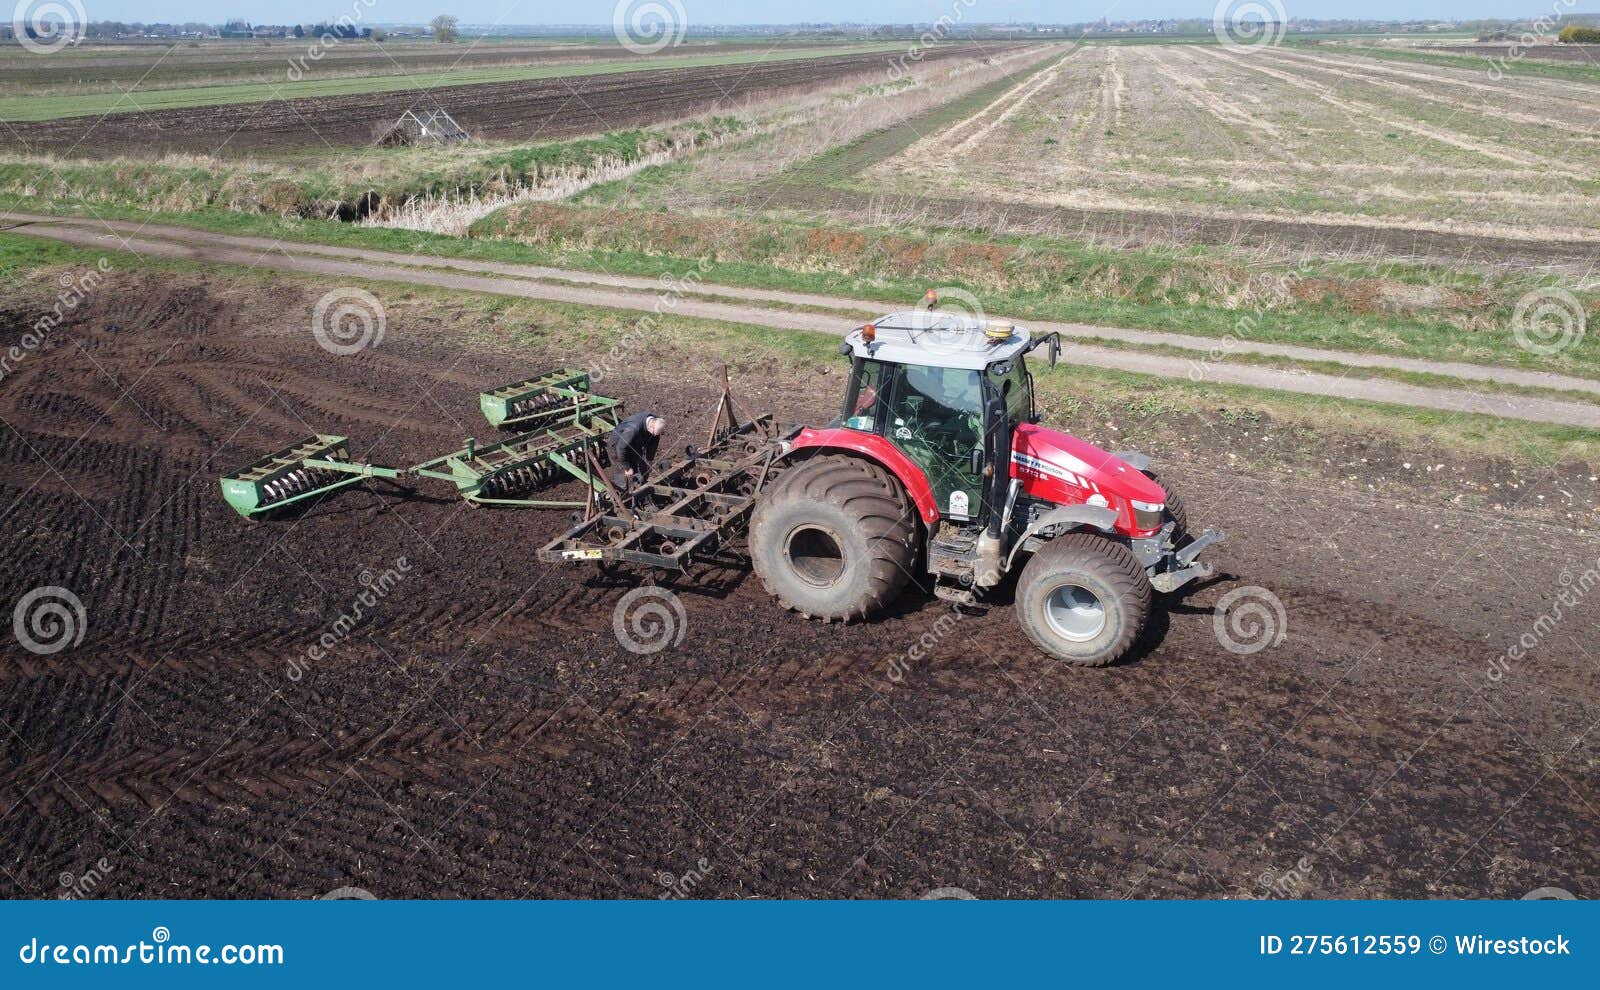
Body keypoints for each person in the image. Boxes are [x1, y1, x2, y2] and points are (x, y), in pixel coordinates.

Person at [607, 411, 666, 490]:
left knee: (642, 471)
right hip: (618, 447)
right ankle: (622, 497)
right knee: (623, 478)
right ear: (651, 426)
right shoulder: (633, 428)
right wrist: (627, 468)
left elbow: (653, 442)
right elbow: (621, 448)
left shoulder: (655, 422)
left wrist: (649, 460)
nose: (655, 435)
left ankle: (641, 491)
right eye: (654, 433)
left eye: (657, 434)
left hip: (634, 444)